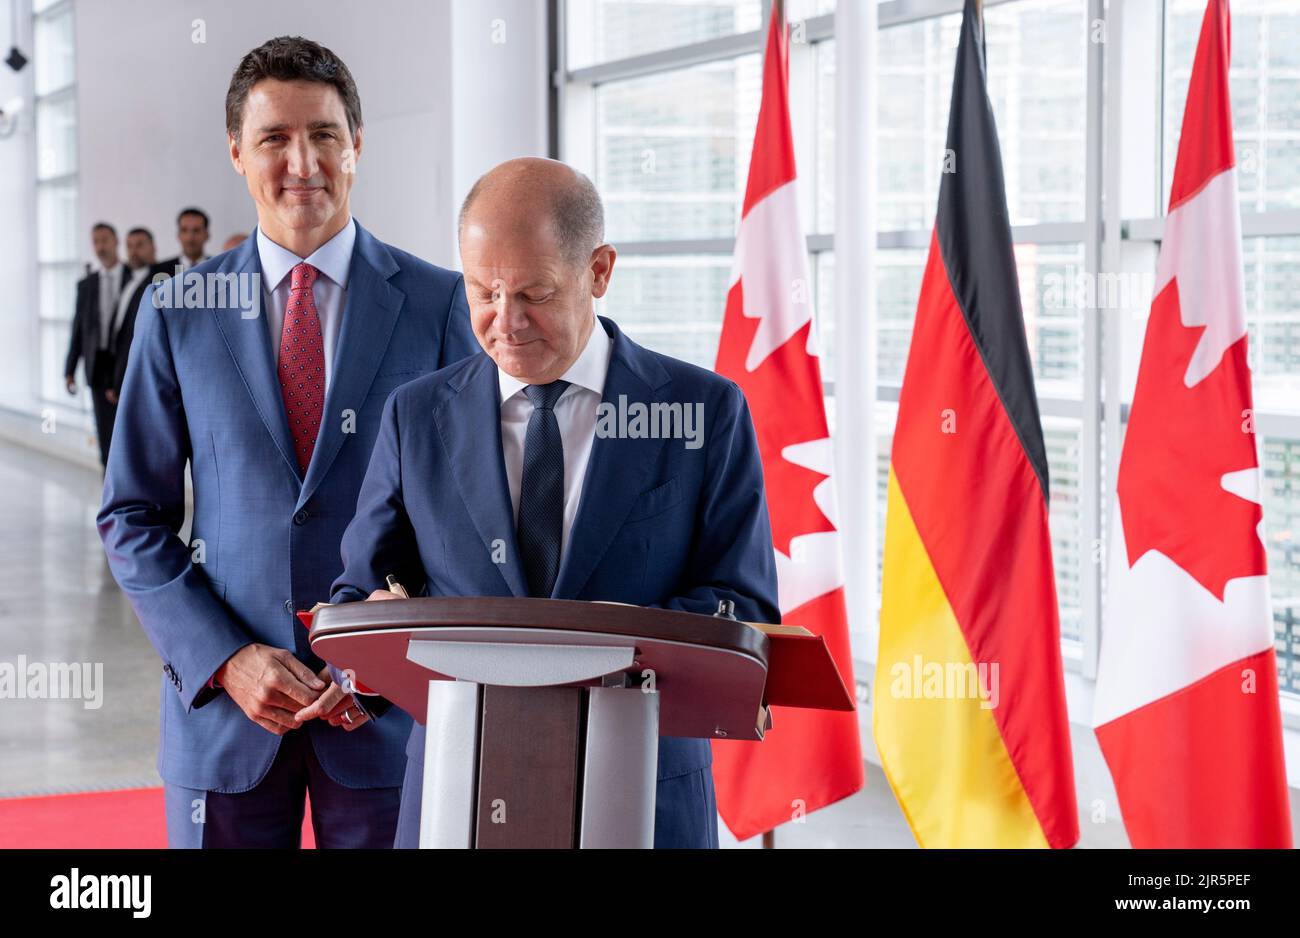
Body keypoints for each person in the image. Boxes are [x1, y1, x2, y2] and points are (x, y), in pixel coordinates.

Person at [330, 158, 779, 848]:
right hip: (458, 783)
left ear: (599, 270)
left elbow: (743, 611)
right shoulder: (414, 415)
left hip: (644, 788)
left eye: (533, 293)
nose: (504, 324)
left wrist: (598, 648)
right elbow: (360, 588)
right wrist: (369, 626)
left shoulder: (704, 412)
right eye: (482, 292)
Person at [98, 35, 476, 848]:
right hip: (225, 719)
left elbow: (473, 512)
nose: (302, 161)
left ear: (358, 145)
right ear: (237, 153)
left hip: (385, 720)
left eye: (325, 135)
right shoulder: (176, 313)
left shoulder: (440, 308)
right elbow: (130, 515)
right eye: (274, 138)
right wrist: (227, 658)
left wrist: (386, 643)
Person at [64, 222, 130, 467]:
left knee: (128, 429)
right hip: (98, 364)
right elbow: (78, 329)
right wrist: (69, 369)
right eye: (96, 241)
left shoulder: (133, 278)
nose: (101, 246)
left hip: (125, 363)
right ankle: (108, 484)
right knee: (104, 430)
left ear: (116, 241)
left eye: (105, 240)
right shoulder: (86, 285)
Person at [158, 206, 211, 272]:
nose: (190, 237)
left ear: (207, 235)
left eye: (196, 230)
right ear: (178, 235)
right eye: (184, 230)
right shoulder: (160, 270)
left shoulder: (221, 269)